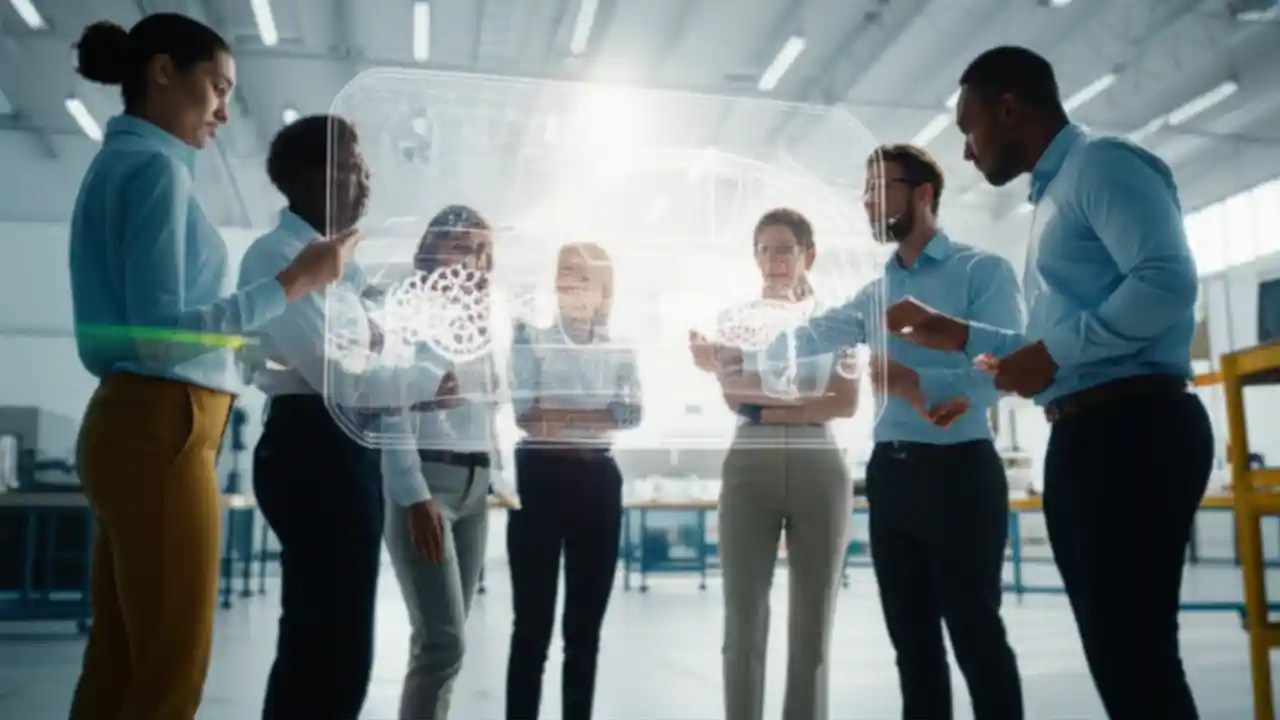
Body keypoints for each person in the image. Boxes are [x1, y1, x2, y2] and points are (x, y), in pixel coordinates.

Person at [886, 46, 1211, 719]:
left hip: (1131, 430)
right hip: (1093, 431)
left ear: (1010, 109)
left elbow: (1167, 282)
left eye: (970, 129)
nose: (968, 154)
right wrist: (960, 334)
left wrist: (1053, 352)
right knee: (1121, 657)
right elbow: (1049, 348)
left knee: (1136, 654)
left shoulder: (1103, 166)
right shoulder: (1055, 197)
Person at [66, 16, 356, 720]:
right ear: (163, 72)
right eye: (218, 88)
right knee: (170, 670)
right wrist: (293, 284)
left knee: (120, 661)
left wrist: (252, 345)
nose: (225, 111)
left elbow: (159, 325)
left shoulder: (123, 164)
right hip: (162, 429)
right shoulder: (156, 170)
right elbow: (164, 335)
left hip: (136, 424)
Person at [796, 147, 1028, 719]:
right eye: (865, 191)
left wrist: (912, 381)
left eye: (880, 188)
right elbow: (814, 333)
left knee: (975, 634)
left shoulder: (983, 271)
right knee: (912, 645)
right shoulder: (876, 291)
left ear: (922, 194)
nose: (867, 201)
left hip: (959, 472)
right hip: (891, 475)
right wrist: (742, 349)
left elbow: (1012, 365)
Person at [236, 116, 453, 719]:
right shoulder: (276, 257)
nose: (366, 180)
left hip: (346, 449)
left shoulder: (344, 270)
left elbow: (377, 351)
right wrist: (429, 381)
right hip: (311, 446)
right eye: (353, 167)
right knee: (322, 639)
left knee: (342, 638)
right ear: (309, 178)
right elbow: (343, 375)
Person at [688, 208, 859, 720]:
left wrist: (766, 401)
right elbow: (734, 397)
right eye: (764, 249)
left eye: (785, 248)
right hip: (750, 464)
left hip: (818, 464)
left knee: (813, 625)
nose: (773, 260)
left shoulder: (838, 321)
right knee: (742, 618)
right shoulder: (735, 322)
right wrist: (800, 398)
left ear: (808, 255)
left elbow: (844, 401)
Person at [505, 242, 643, 720]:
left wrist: (558, 413)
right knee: (531, 628)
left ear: (604, 289)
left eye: (583, 275)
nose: (570, 281)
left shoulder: (621, 347)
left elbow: (630, 414)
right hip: (540, 479)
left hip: (599, 483)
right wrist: (593, 416)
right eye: (564, 271)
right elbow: (526, 417)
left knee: (584, 633)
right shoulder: (529, 338)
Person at [380, 204, 500, 720]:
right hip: (428, 484)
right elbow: (386, 409)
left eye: (483, 253)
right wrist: (412, 494)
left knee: (439, 642)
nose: (474, 262)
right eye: (462, 247)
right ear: (429, 253)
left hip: (475, 487)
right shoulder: (406, 316)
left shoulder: (480, 324)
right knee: (443, 645)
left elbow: (487, 409)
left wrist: (498, 476)